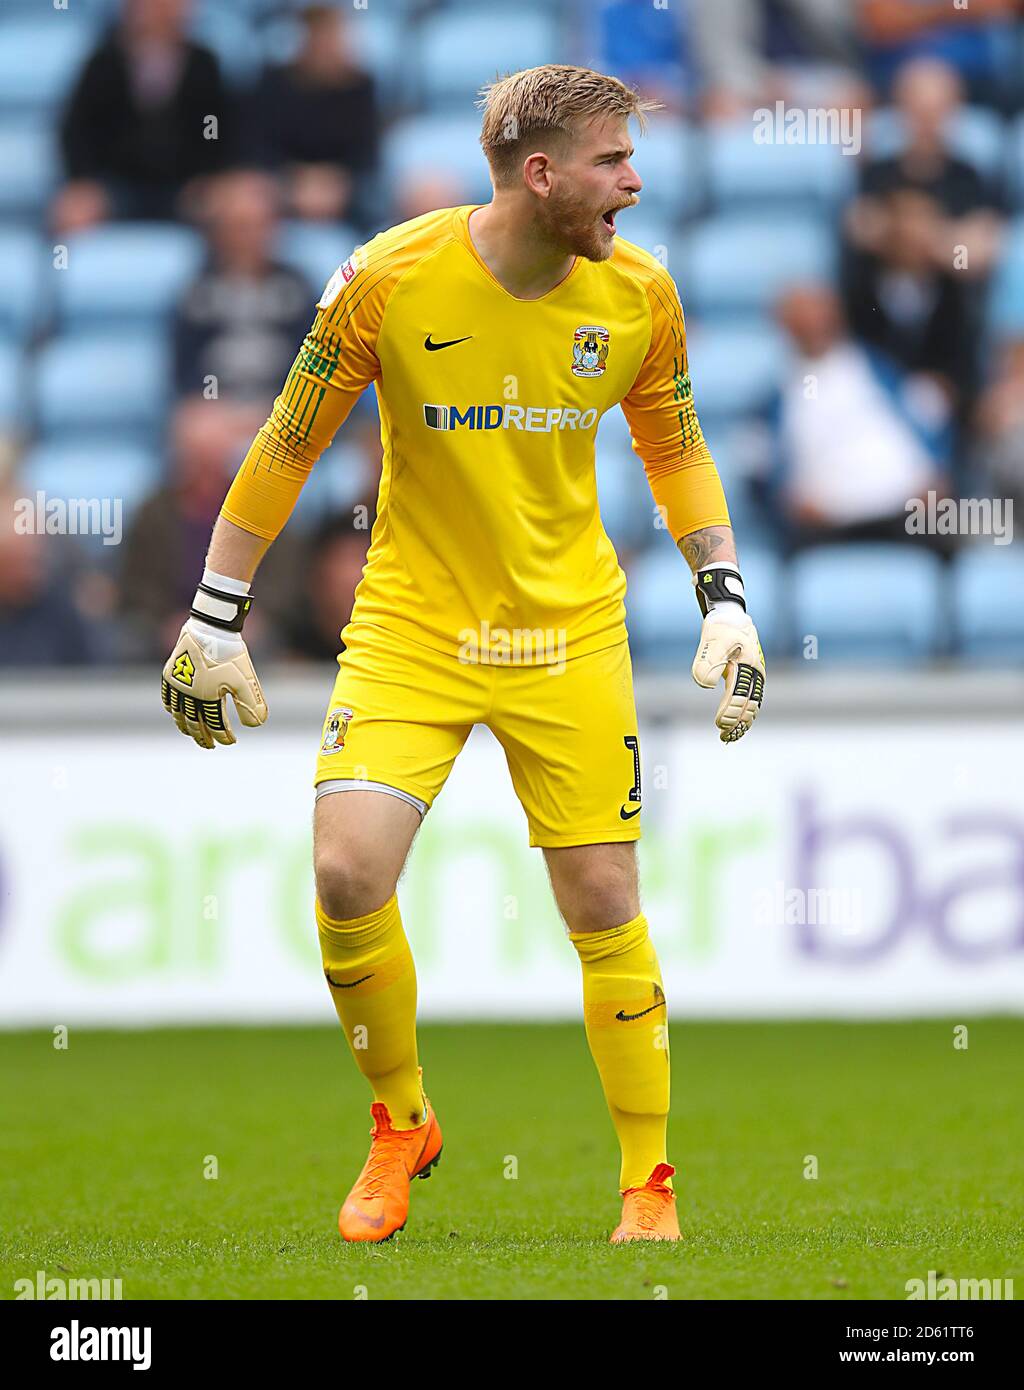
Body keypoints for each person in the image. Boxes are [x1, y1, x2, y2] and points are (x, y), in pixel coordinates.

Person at [158, 64, 766, 1245]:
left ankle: (649, 1182)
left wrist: (725, 595)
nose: (634, 184)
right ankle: (401, 1122)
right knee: (344, 874)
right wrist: (213, 612)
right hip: (412, 629)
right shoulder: (388, 280)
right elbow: (287, 441)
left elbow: (675, 446)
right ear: (539, 174)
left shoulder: (640, 295)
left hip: (569, 632)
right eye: (611, 162)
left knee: (601, 896)